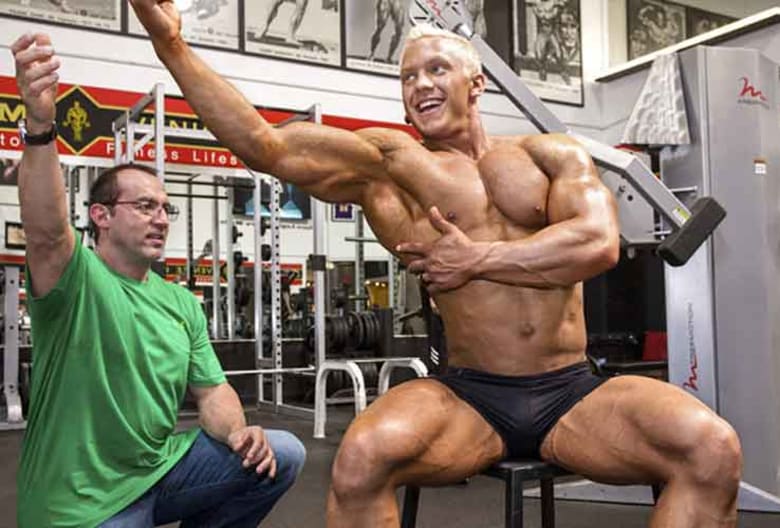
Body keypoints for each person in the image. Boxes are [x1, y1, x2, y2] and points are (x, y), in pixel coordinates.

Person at [129, 2, 742, 526]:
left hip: (572, 390)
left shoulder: (551, 154)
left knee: (710, 447)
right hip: (470, 396)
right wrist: (171, 43)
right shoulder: (390, 168)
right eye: (407, 77)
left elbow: (597, 244)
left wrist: (478, 258)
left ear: (476, 83)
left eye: (436, 69)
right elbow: (263, 145)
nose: (419, 84)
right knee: (361, 457)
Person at [11, 31, 305, 527]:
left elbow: (212, 392)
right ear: (101, 216)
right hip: (80, 501)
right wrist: (40, 128)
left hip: (157, 472)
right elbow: (45, 230)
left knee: (283, 453)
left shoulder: (181, 303)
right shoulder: (75, 279)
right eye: (146, 206)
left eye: (166, 209)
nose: (162, 219)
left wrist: (238, 433)